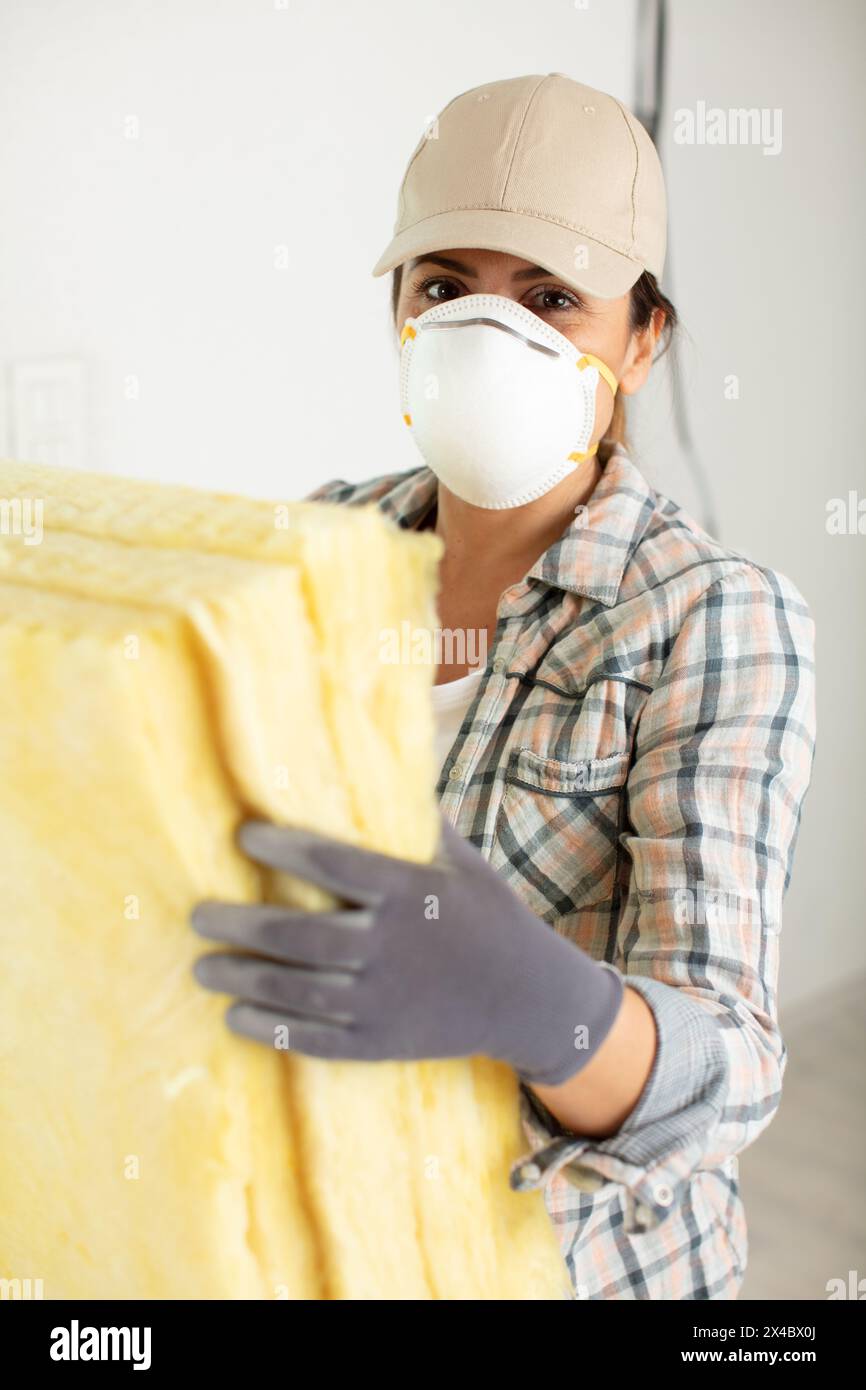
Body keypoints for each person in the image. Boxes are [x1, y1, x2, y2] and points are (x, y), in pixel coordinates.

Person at [190, 73, 817, 1300]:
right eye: (445, 288)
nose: (491, 334)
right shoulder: (321, 540)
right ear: (399, 313)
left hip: (573, 1271)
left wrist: (542, 1005)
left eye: (547, 300)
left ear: (640, 342)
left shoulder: (709, 616)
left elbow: (728, 1075)